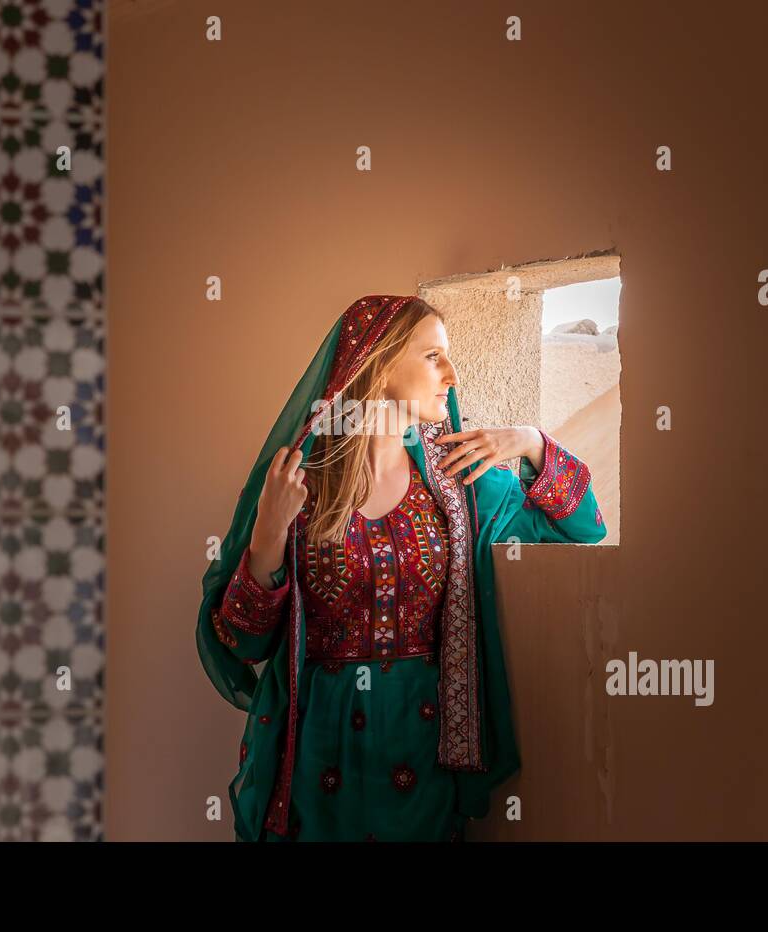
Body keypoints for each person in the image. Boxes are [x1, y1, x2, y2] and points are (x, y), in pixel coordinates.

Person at [196, 295, 608, 841]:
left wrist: (529, 442)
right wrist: (269, 536)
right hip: (316, 757)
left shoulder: (460, 484)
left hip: (421, 751)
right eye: (434, 356)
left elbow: (584, 525)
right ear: (381, 364)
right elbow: (240, 642)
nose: (452, 375)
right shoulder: (301, 485)